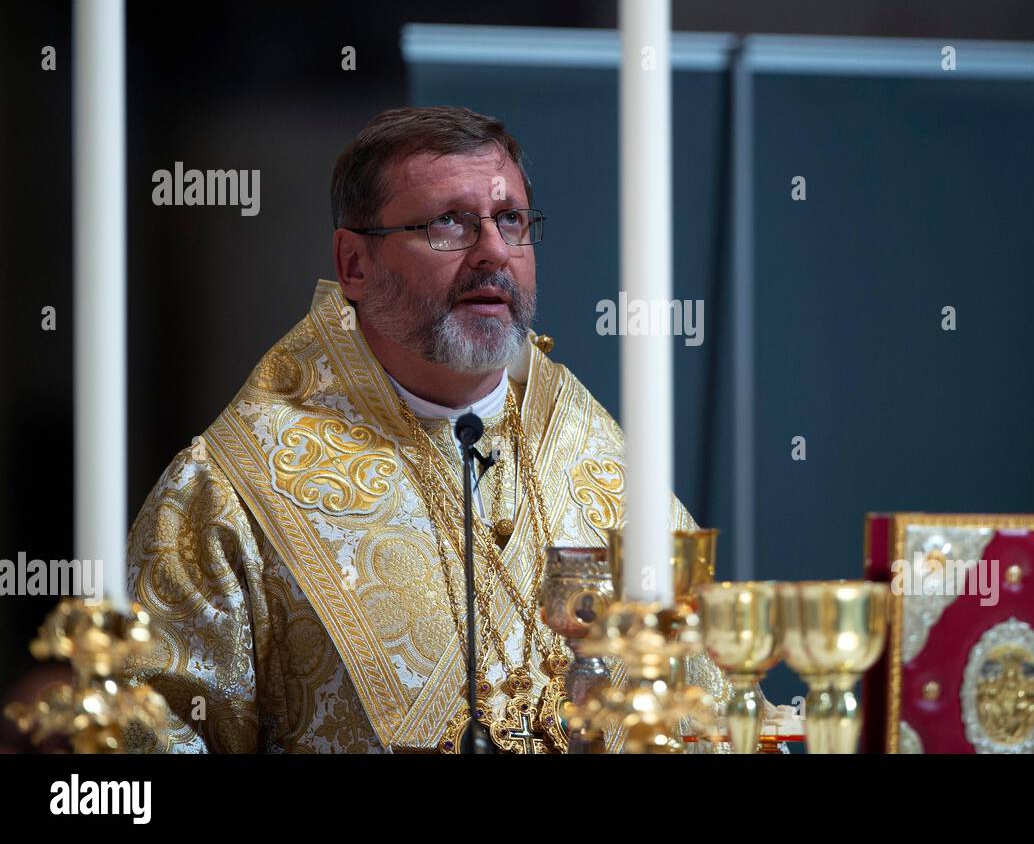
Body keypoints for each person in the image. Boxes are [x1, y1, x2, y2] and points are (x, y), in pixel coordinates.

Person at [125, 105, 739, 753]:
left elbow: (710, 720)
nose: (494, 252)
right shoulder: (231, 490)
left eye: (511, 221)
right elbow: (148, 738)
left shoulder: (606, 468)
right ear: (354, 264)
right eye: (450, 223)